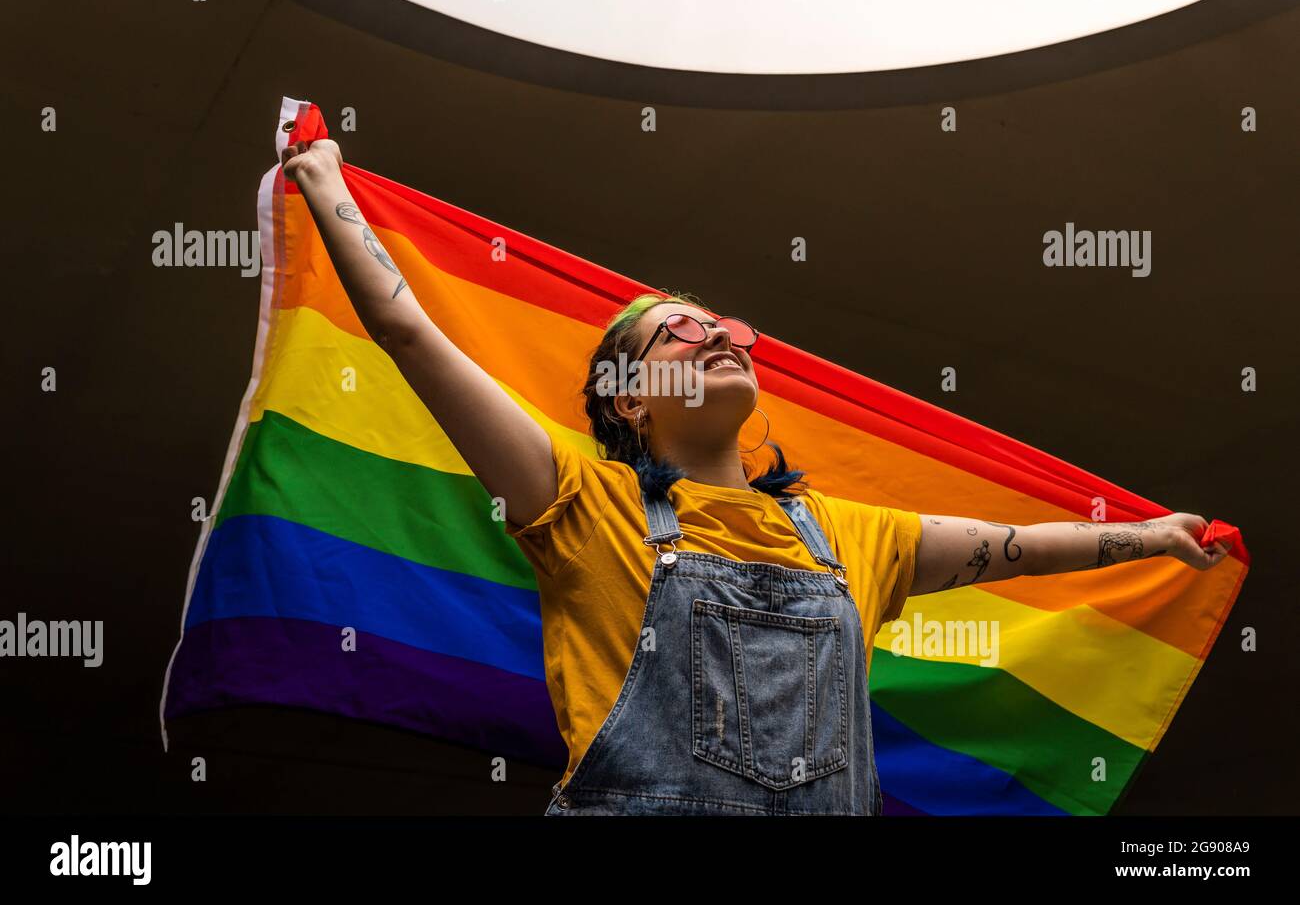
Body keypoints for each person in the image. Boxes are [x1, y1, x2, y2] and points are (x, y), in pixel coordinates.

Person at [280, 137, 1234, 815]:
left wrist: (1150, 537)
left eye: (728, 333)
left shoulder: (852, 536)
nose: (719, 341)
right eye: (680, 334)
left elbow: (1021, 549)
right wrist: (325, 178)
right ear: (628, 400)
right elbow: (408, 331)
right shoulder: (581, 506)